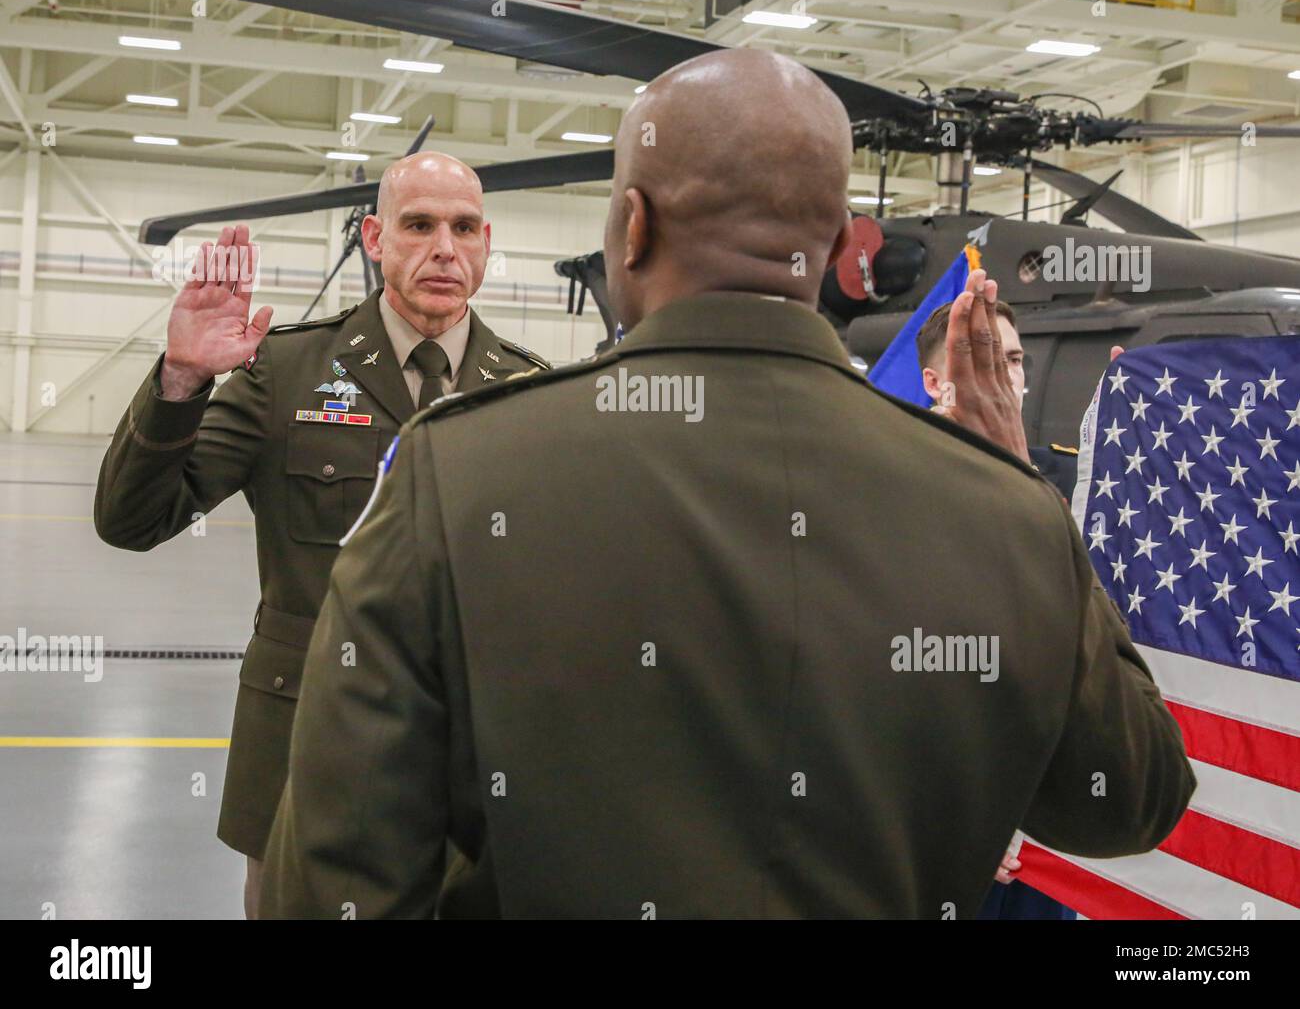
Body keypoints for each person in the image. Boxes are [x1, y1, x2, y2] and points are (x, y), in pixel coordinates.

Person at [260, 47, 1194, 919]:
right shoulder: (1001, 511)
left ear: (634, 226)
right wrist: (1032, 505)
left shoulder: (453, 474)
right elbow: (1132, 799)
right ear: (837, 246)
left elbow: (334, 889)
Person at [93, 152, 548, 918]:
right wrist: (182, 377)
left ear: (485, 241)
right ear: (374, 237)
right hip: (303, 758)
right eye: (419, 224)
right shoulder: (290, 371)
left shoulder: (530, 393)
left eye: (464, 227)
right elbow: (131, 518)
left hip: (471, 773)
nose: (444, 247)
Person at [916, 297, 1079, 500]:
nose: (1006, 377)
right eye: (981, 361)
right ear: (934, 383)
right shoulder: (909, 480)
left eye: (1014, 360)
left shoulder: (1075, 477)